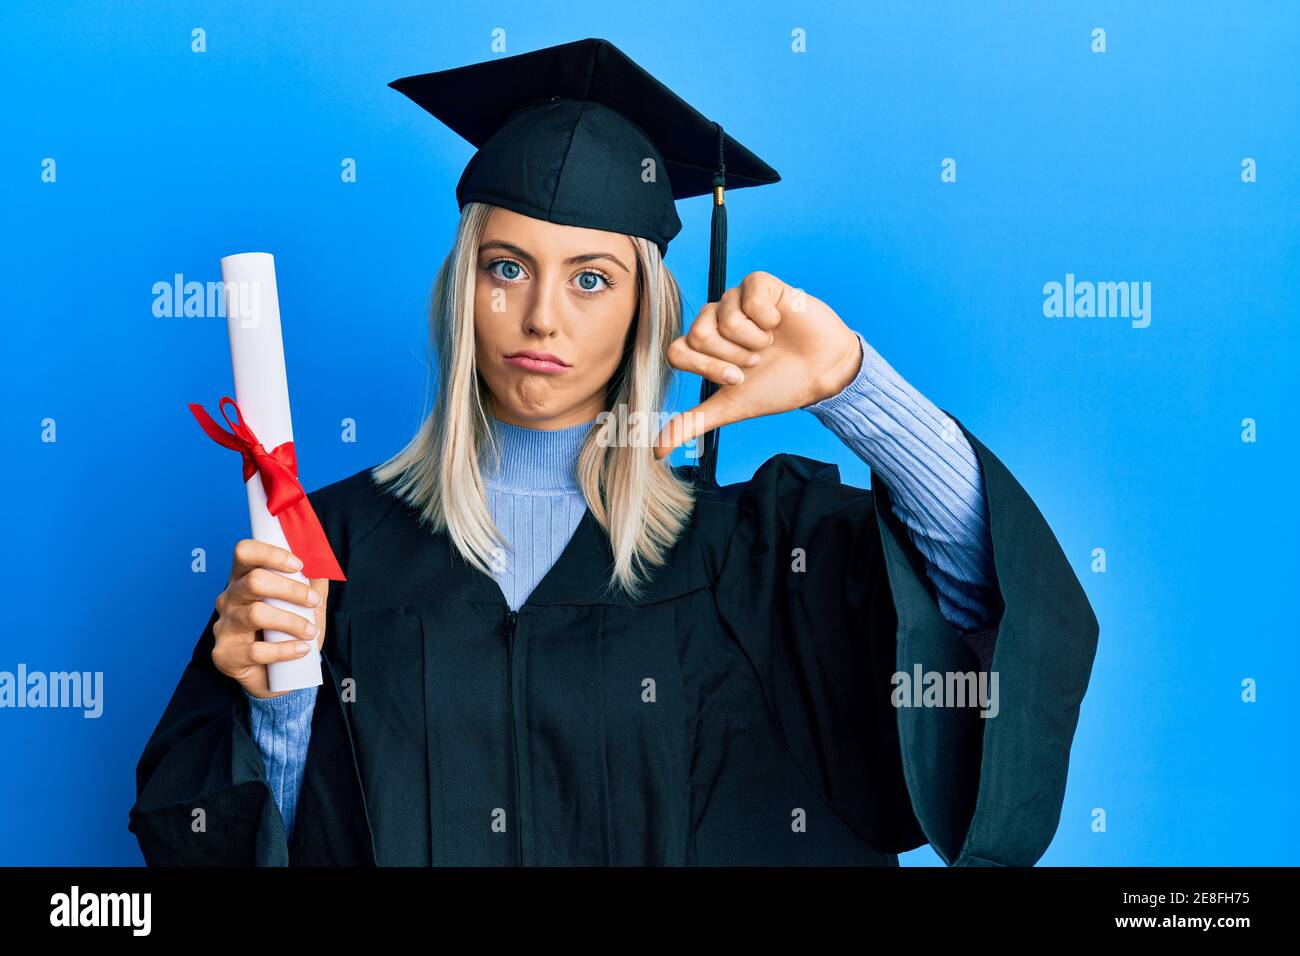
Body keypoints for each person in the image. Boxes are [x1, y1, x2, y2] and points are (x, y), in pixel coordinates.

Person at [128, 38, 1099, 867]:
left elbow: (985, 603)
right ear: (463, 287)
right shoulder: (327, 548)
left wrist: (855, 385)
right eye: (507, 267)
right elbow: (243, 843)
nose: (541, 313)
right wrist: (278, 711)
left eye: (590, 277)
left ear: (645, 305)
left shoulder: (765, 551)